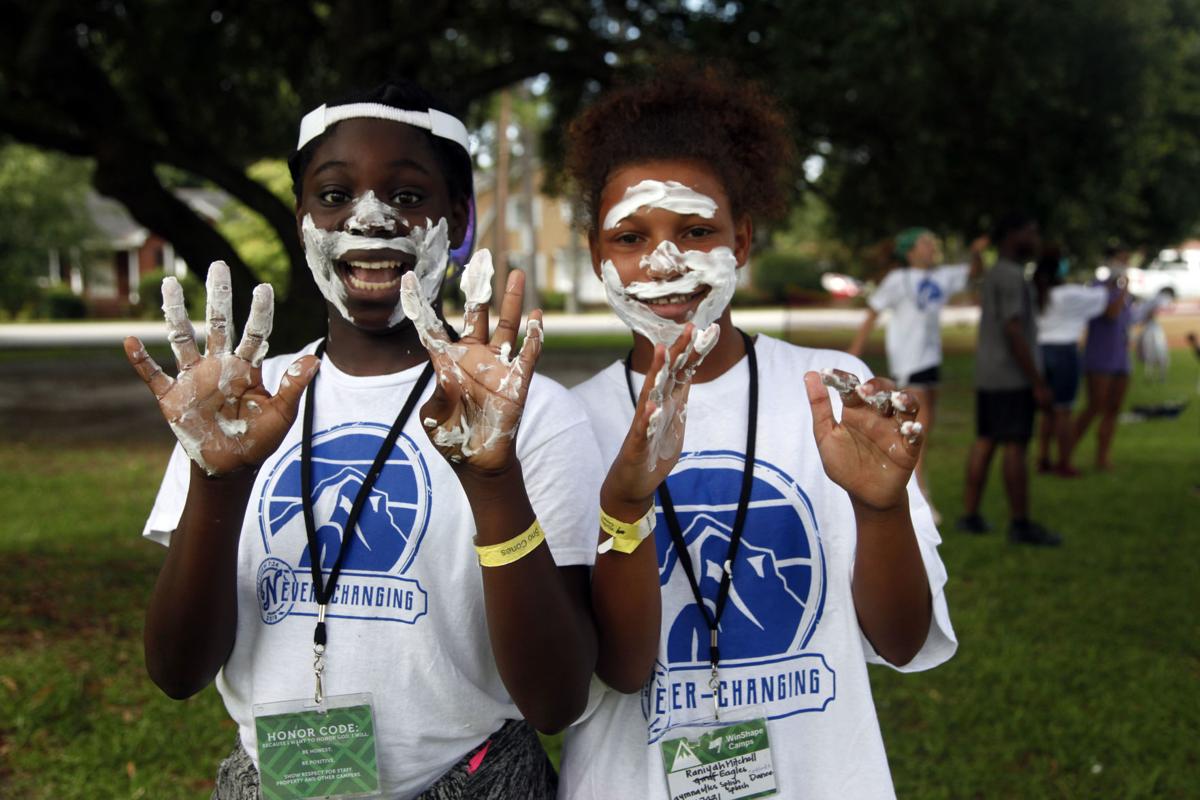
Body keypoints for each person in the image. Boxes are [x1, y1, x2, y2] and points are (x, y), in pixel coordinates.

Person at [125, 81, 603, 799]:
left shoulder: (532, 415)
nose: (371, 219)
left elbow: (556, 701)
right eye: (335, 194)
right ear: (302, 220)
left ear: (459, 217)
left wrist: (494, 481)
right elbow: (177, 672)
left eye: (408, 198)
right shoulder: (244, 403)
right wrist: (216, 482)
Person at [557, 64, 957, 800]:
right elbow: (614, 670)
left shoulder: (828, 393)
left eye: (696, 230)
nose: (664, 262)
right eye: (630, 237)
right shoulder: (566, 423)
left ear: (740, 241)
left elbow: (901, 641)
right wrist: (623, 511)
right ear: (595, 255)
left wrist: (881, 508)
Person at [848, 227, 988, 522]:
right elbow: (873, 311)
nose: (931, 247)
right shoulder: (899, 279)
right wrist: (853, 352)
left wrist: (976, 251)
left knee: (925, 427)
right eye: (925, 243)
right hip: (909, 361)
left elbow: (974, 271)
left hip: (931, 358)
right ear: (910, 251)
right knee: (916, 430)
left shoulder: (941, 276)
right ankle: (918, 493)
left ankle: (915, 488)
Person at [958, 212, 1060, 545]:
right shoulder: (1012, 276)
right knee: (1015, 445)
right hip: (1011, 376)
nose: (1036, 239)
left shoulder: (996, 274)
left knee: (986, 439)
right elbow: (1013, 328)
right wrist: (1037, 382)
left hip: (989, 374)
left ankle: (970, 515)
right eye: (1031, 232)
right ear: (1012, 235)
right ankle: (1020, 523)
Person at [1031, 247, 1111, 476]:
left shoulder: (1035, 293)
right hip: (1064, 352)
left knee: (1046, 411)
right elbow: (1102, 297)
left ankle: (1043, 458)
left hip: (1040, 352)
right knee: (1064, 411)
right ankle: (1064, 462)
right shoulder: (1070, 293)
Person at [1068, 246, 1135, 472]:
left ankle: (1103, 457)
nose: (1124, 264)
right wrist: (1124, 290)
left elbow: (1126, 320)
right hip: (1099, 358)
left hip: (1120, 358)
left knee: (1113, 409)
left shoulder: (1125, 294)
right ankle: (1066, 452)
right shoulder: (1097, 289)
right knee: (1094, 406)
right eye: (1121, 259)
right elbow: (1111, 313)